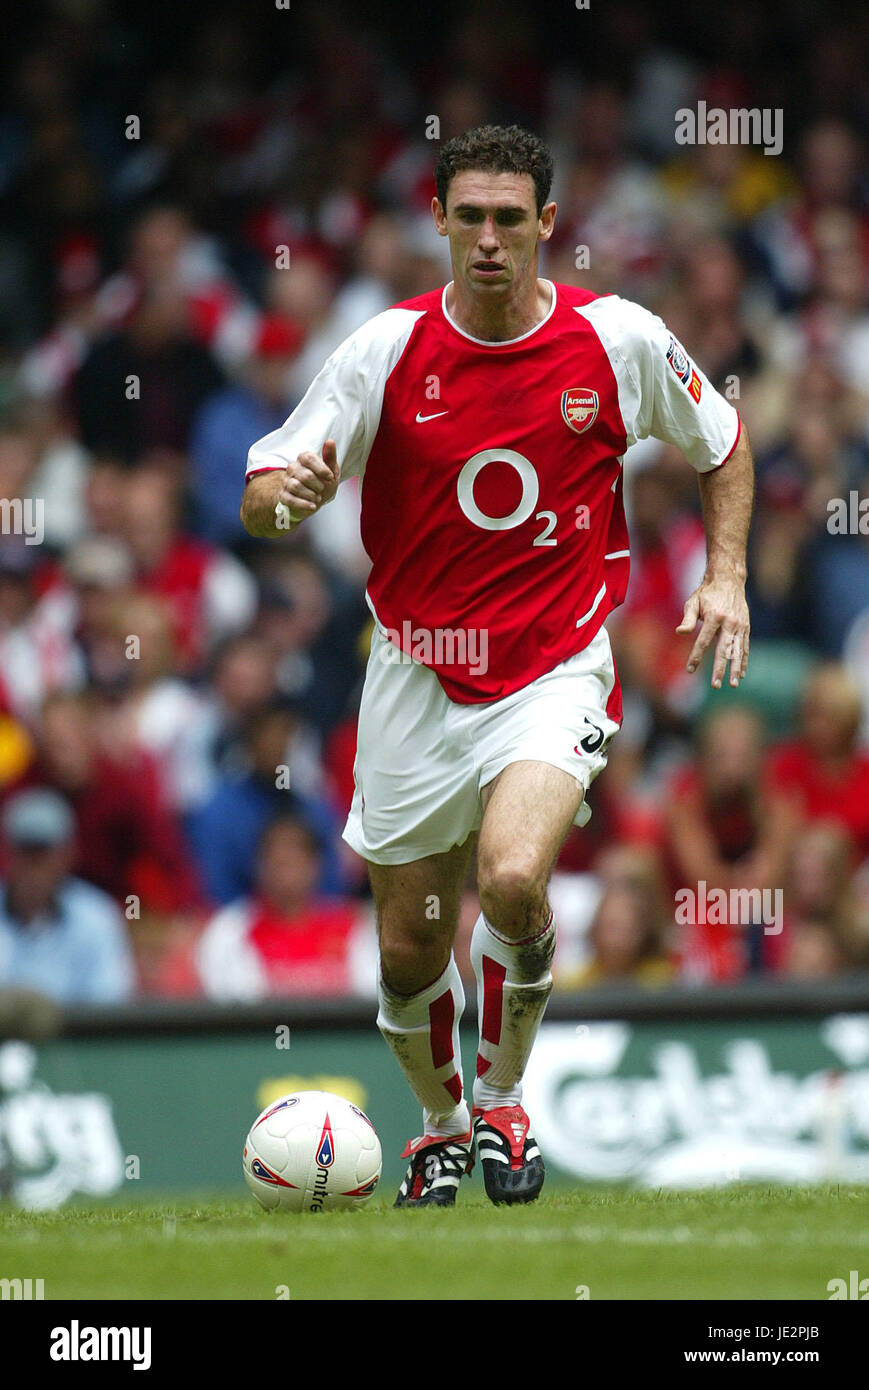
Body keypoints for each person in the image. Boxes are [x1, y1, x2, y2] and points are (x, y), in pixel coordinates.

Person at [240, 125, 753, 1208]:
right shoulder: (382, 349)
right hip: (415, 674)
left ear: (546, 227)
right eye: (466, 216)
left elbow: (720, 439)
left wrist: (726, 577)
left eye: (507, 219)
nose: (485, 239)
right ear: (436, 219)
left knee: (514, 877)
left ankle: (504, 1095)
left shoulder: (614, 341)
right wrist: (285, 500)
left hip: (553, 663)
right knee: (403, 947)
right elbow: (268, 478)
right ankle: (438, 1126)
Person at [0, 788, 135, 1003]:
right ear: (9, 854)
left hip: (75, 1037)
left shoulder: (97, 917)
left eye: (43, 854)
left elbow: (109, 1004)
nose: (34, 869)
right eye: (26, 853)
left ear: (67, 855)